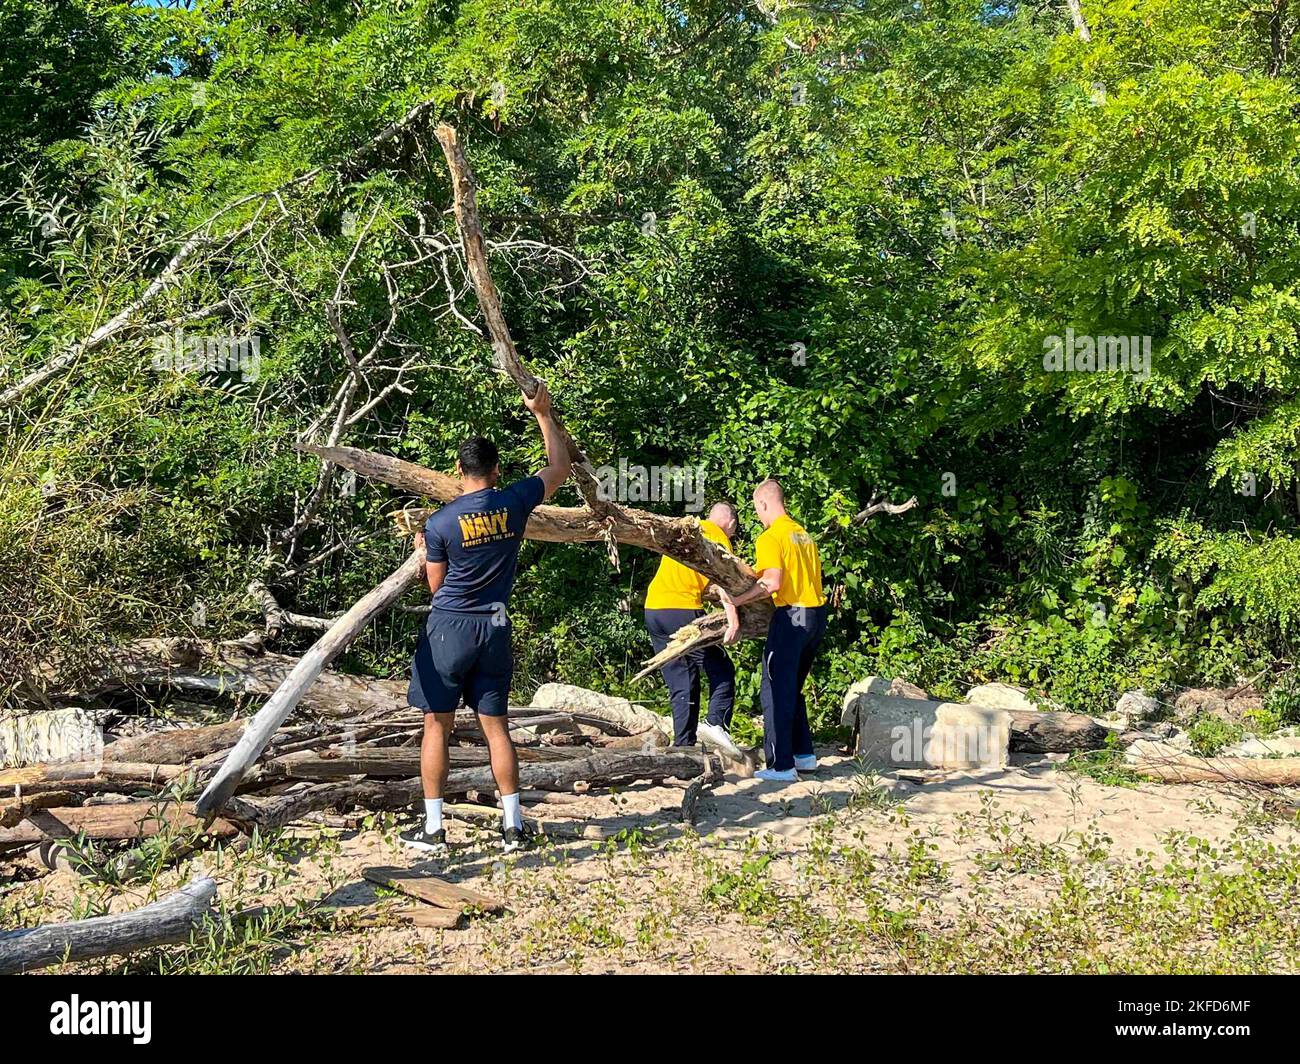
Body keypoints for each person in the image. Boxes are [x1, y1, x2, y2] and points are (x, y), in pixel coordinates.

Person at [401, 382, 571, 854]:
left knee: (438, 725)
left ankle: (434, 829)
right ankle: (513, 826)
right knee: (496, 725)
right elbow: (558, 467)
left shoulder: (439, 522)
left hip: (450, 626)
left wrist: (424, 551)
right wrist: (543, 413)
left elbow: (436, 587)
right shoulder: (514, 502)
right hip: (495, 626)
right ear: (497, 471)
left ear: (459, 470)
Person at [719, 479, 826, 782]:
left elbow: (772, 582)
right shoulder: (802, 534)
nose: (758, 516)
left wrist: (736, 600)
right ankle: (804, 756)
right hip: (816, 616)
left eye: (757, 510)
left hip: (791, 616)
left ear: (763, 504)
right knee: (792, 687)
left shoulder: (771, 537)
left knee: (775, 690)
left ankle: (781, 766)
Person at [644, 502, 741, 749]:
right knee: (721, 669)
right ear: (730, 524)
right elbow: (724, 584)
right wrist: (733, 621)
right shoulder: (718, 536)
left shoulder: (687, 530)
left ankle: (684, 747)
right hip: (681, 609)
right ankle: (715, 723)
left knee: (682, 680)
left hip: (654, 608)